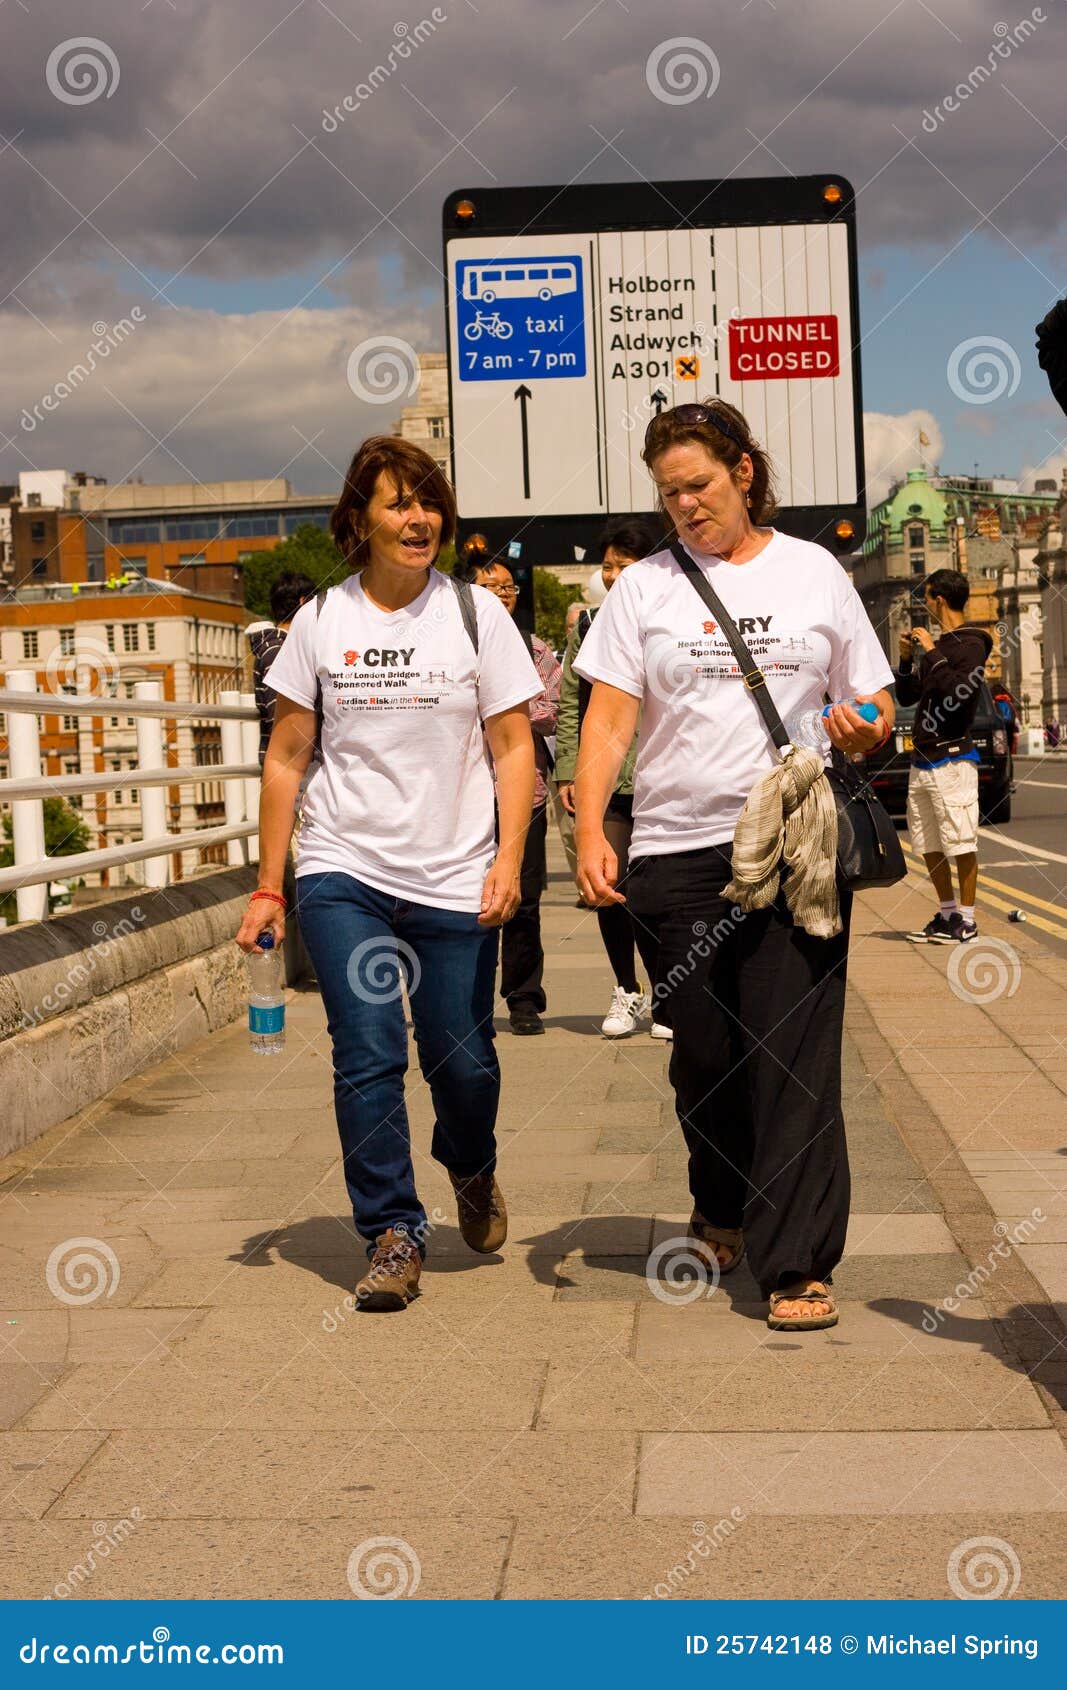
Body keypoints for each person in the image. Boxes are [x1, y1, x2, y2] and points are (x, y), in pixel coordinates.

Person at [573, 399, 894, 1332]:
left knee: (793, 1059)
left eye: (699, 487)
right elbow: (607, 718)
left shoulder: (814, 573)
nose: (684, 507)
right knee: (706, 1057)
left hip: (795, 844)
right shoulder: (644, 590)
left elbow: (870, 701)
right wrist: (595, 826)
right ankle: (721, 1199)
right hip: (676, 849)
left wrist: (862, 729)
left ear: (743, 473)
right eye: (669, 493)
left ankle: (795, 1263)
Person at [235, 437, 540, 1312]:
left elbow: (513, 746)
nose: (419, 519)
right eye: (398, 504)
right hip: (344, 869)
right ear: (358, 521)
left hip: (454, 874)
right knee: (366, 1051)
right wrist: (270, 885)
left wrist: (508, 859)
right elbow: (287, 756)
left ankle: (471, 1166)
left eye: (429, 503)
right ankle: (393, 1230)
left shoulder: (477, 617)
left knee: (463, 1061)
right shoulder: (323, 622)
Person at [556, 516, 669, 1039]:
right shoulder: (587, 628)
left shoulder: (677, 620)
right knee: (609, 881)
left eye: (626, 565)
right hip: (610, 781)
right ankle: (628, 988)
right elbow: (572, 705)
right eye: (607, 566)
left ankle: (669, 991)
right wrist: (569, 770)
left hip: (667, 777)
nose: (614, 575)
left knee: (662, 888)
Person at [462, 553, 561, 1036]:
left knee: (522, 900)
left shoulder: (535, 649)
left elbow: (553, 709)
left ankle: (524, 999)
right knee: (463, 898)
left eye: (508, 588)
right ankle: (466, 999)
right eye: (490, 586)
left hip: (526, 794)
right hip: (461, 794)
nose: (502, 595)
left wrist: (501, 706)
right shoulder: (451, 643)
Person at [896, 569, 992, 945]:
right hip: (924, 759)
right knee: (928, 841)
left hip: (953, 758)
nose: (925, 606)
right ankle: (948, 914)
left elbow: (960, 692)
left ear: (938, 599)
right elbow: (907, 697)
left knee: (961, 841)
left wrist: (931, 651)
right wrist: (906, 660)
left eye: (927, 598)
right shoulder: (940, 646)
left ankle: (967, 920)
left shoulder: (973, 643)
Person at [246, 572, 318, 766]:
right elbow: (283, 721)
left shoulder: (279, 647)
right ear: (304, 603)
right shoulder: (279, 650)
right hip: (290, 770)